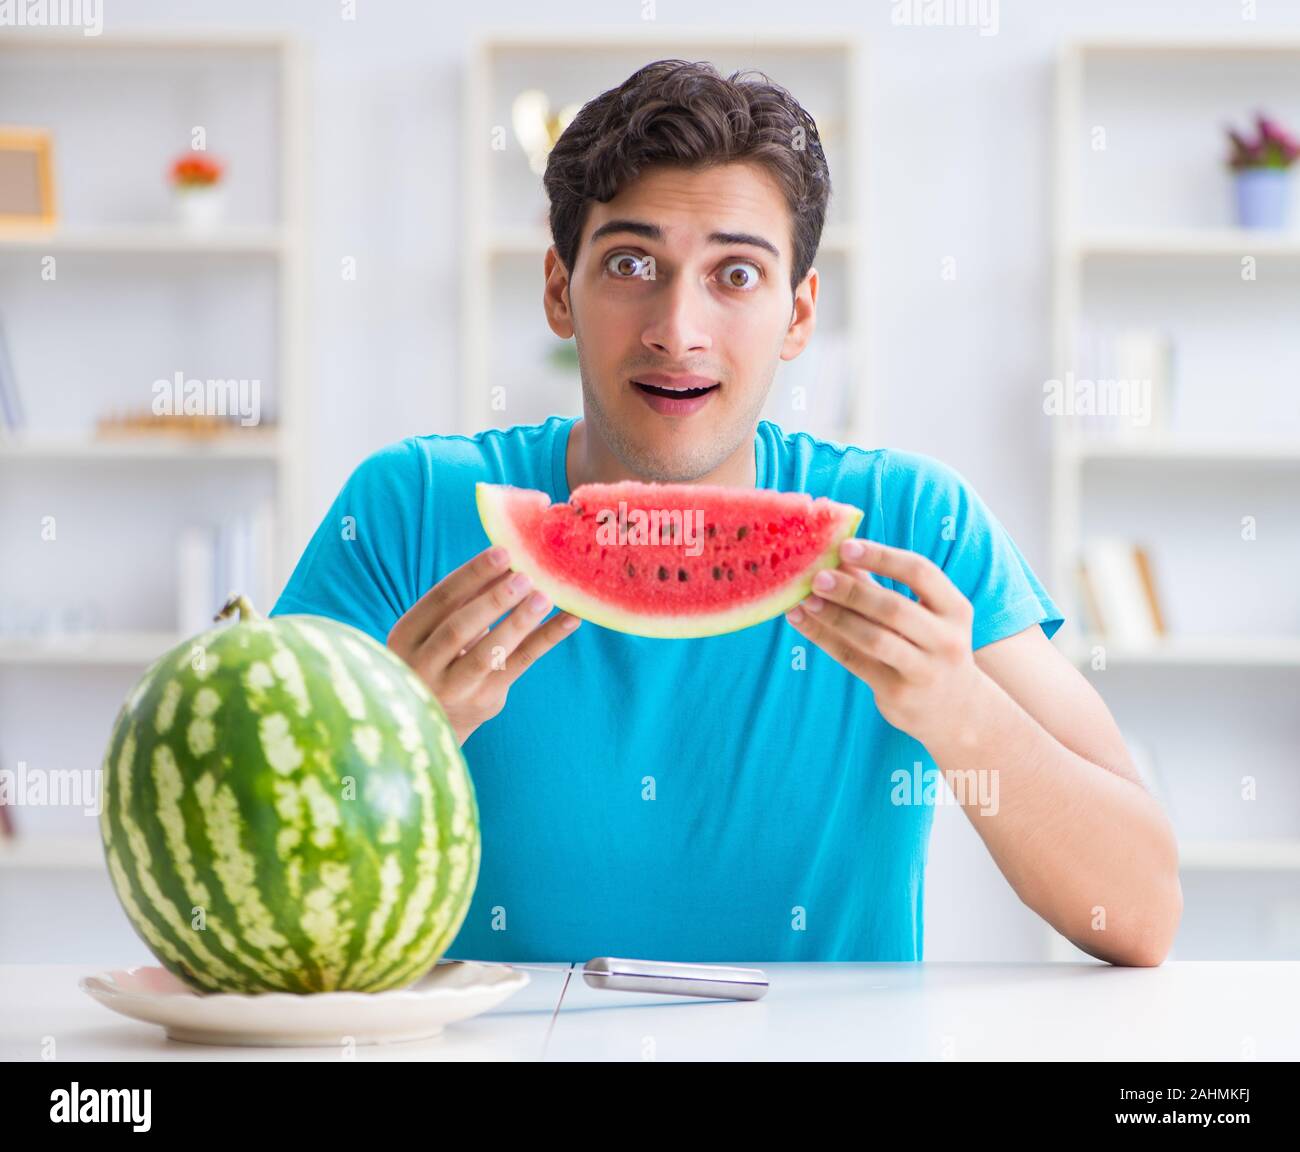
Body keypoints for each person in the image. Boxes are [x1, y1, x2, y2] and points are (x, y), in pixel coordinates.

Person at [271, 59, 1181, 965]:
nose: (679, 327)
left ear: (798, 313)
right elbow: (259, 906)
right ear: (559, 290)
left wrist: (961, 711)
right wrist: (392, 745)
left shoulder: (912, 524)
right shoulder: (410, 508)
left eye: (736, 275)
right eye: (632, 264)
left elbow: (1141, 916)